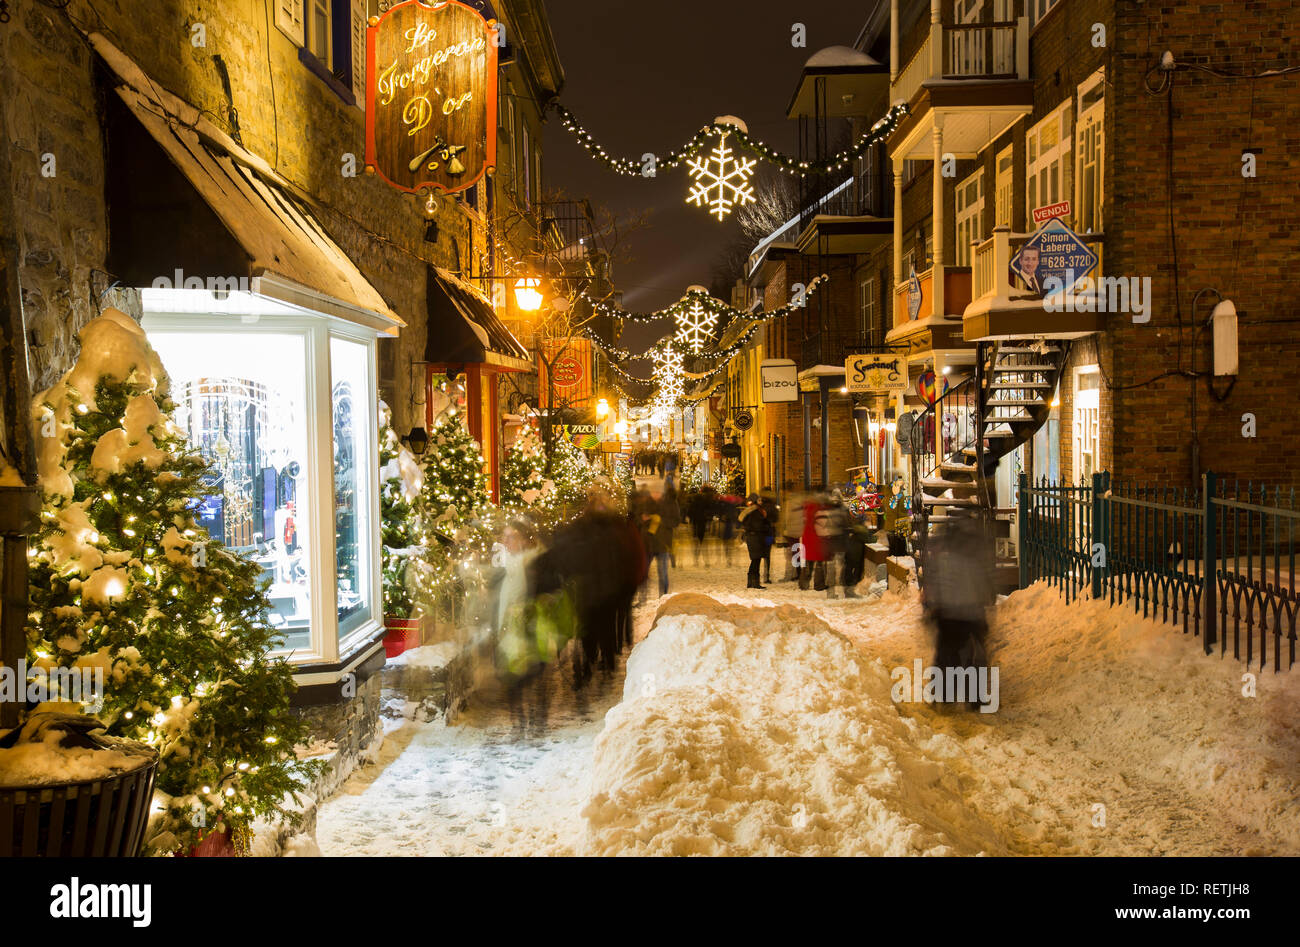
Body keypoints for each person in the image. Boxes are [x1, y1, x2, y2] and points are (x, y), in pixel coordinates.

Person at [921, 516, 996, 710]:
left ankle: (944, 695)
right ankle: (974, 697)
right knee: (975, 656)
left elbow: (938, 584)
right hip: (972, 613)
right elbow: (983, 584)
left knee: (947, 655)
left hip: (950, 614)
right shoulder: (975, 560)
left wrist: (932, 607)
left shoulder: (944, 560)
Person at [738, 493, 772, 589]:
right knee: (756, 560)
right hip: (755, 538)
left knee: (755, 560)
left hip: (754, 538)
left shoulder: (753, 511)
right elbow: (758, 526)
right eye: (759, 500)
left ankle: (751, 582)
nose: (761, 502)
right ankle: (754, 582)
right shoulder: (755, 512)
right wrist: (766, 527)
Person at [686, 485, 716, 565]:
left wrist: (690, 520)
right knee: (703, 543)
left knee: (696, 543)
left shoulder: (693, 503)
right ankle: (706, 561)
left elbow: (689, 513)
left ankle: (696, 560)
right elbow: (709, 510)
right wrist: (708, 519)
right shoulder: (705, 502)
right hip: (702, 523)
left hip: (695, 524)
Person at [782, 488, 805, 582]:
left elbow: (786, 518)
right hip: (800, 532)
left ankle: (796, 574)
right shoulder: (802, 504)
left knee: (794, 554)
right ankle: (799, 573)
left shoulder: (789, 504)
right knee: (798, 553)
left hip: (791, 532)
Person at [758, 489, 779, 584]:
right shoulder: (773, 507)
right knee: (767, 555)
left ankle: (757, 575)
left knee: (758, 554)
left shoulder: (759, 507)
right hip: (769, 533)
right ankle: (766, 576)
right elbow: (776, 519)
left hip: (760, 532)